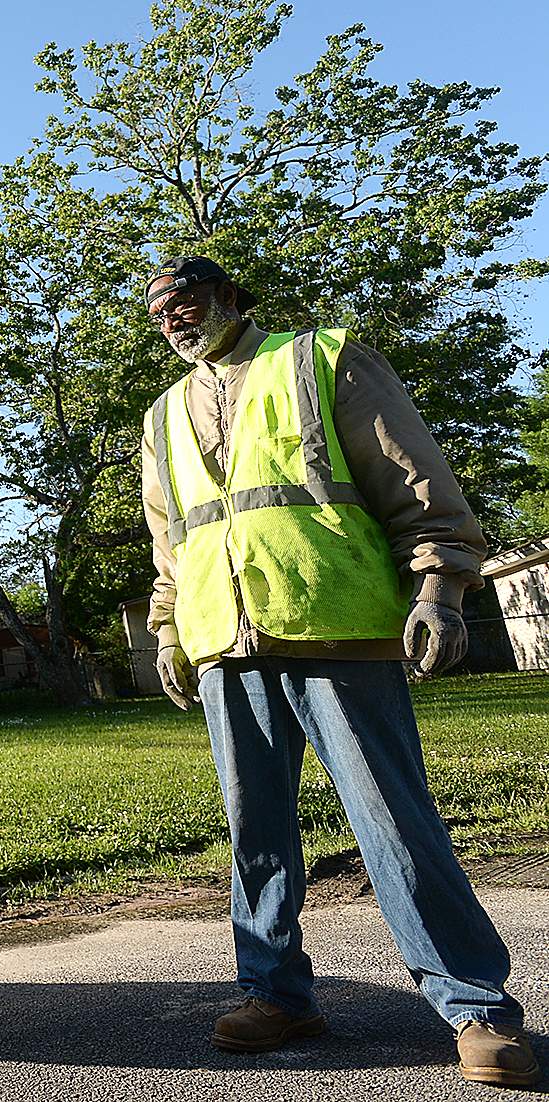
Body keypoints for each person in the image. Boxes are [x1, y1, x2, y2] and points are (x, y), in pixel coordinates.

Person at [139, 255, 541, 1091]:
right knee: (256, 833)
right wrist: (170, 630)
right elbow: (170, 541)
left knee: (392, 820)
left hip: (337, 629)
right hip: (227, 647)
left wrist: (439, 588)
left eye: (186, 301)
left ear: (228, 297)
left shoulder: (323, 360)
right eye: (160, 314)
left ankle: (477, 1007)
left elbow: (417, 484)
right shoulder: (164, 415)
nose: (174, 319)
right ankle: (276, 994)